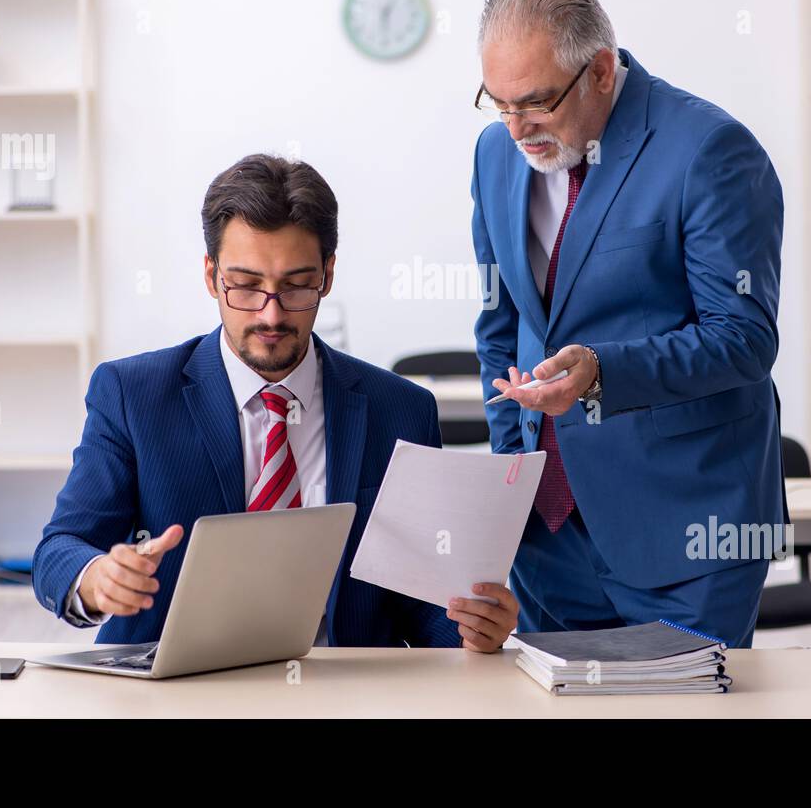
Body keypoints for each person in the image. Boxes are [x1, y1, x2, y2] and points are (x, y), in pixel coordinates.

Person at [33, 153, 519, 651]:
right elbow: (58, 551)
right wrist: (98, 578)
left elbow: (424, 607)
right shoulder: (133, 394)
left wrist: (474, 627)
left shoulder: (401, 409)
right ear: (210, 275)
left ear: (327, 275)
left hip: (348, 692)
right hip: (178, 693)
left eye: (295, 286)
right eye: (245, 286)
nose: (270, 314)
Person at [469, 0, 787, 648]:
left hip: (685, 530)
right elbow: (500, 327)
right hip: (545, 533)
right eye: (497, 104)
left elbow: (744, 337)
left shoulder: (709, 150)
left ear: (603, 71)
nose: (517, 128)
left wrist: (602, 372)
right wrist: (508, 484)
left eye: (535, 103)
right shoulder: (495, 152)